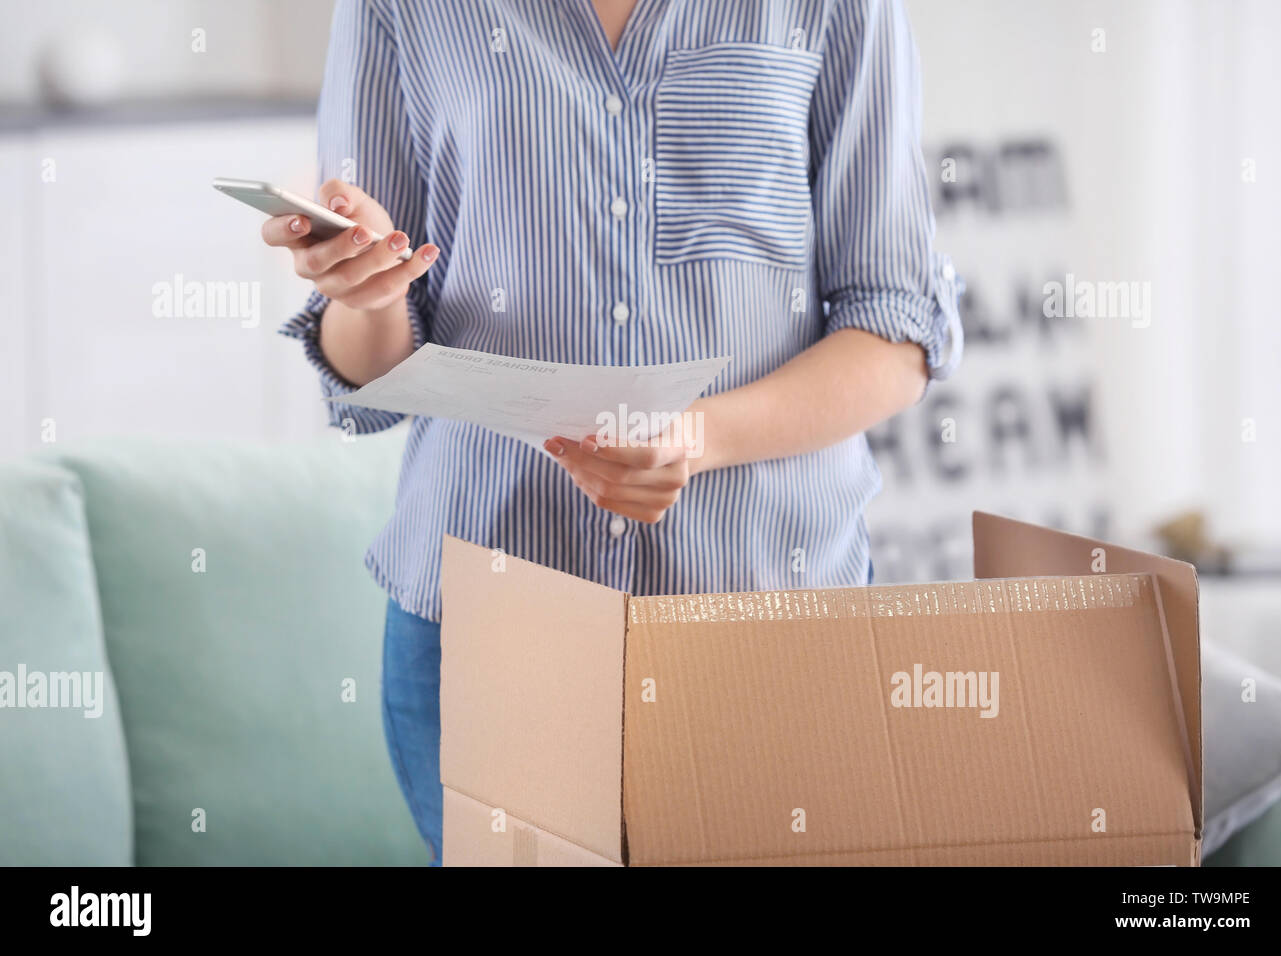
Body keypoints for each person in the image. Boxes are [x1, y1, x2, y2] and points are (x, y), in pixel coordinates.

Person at [264, 0, 963, 865]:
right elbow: (372, 369)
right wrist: (359, 293)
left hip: (769, 622)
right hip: (489, 622)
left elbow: (895, 332)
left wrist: (697, 438)